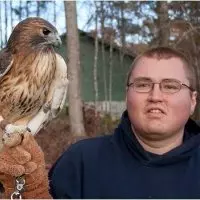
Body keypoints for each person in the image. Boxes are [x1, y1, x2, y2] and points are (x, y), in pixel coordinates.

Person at [0, 46, 200, 199]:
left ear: (193, 100)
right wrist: (25, 192)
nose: (155, 96)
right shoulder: (80, 162)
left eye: (170, 86)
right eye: (143, 85)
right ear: (127, 95)